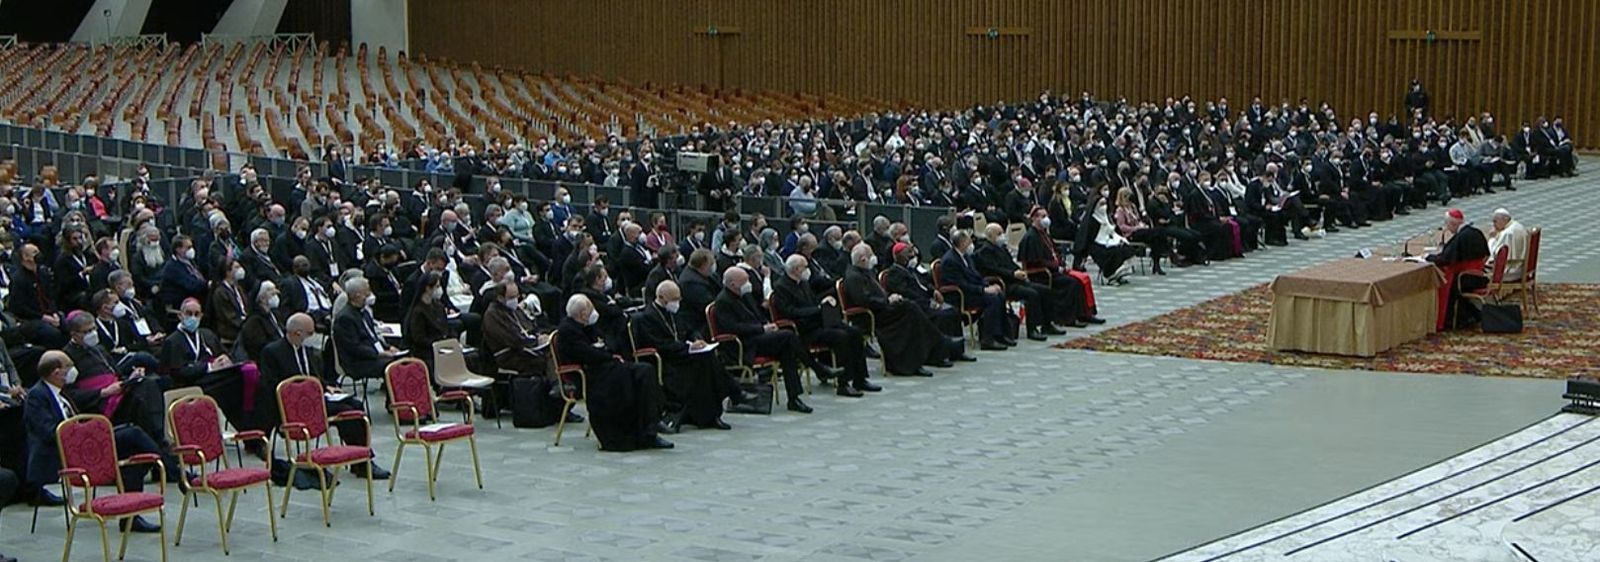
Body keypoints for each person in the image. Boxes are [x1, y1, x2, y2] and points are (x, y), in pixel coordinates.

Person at [25, 350, 176, 533]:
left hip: (85, 442)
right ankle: (175, 471)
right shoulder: (37, 396)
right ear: (56, 372)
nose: (73, 371)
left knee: (134, 451)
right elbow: (49, 432)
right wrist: (83, 430)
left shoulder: (63, 391)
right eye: (69, 367)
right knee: (133, 434)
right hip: (65, 451)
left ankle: (131, 517)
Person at [254, 313, 389, 481]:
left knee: (355, 407)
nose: (313, 336)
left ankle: (360, 460)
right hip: (293, 405)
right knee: (346, 412)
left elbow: (314, 376)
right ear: (297, 333)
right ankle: (361, 463)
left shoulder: (307, 351)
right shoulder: (272, 352)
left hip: (317, 398)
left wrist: (327, 387)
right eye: (310, 333)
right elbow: (271, 385)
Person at [555, 294, 672, 451]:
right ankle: (635, 431)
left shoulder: (587, 326)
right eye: (590, 310)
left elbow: (604, 343)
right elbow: (587, 354)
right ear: (583, 314)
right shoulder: (568, 330)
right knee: (627, 378)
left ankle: (650, 428)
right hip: (589, 374)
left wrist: (608, 352)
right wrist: (608, 354)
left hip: (604, 366)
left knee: (645, 372)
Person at [633, 280, 739, 430]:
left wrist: (697, 339)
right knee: (706, 363)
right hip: (668, 361)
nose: (677, 302)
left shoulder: (674, 313)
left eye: (679, 298)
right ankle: (731, 393)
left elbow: (690, 330)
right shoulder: (647, 317)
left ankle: (713, 413)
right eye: (674, 299)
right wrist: (688, 347)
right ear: (662, 298)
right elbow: (661, 345)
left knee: (707, 359)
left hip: (684, 355)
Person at [770, 256, 880, 397]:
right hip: (805, 329)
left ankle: (860, 379)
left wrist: (824, 301)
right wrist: (817, 308)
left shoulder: (803, 283)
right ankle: (843, 383)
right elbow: (789, 312)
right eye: (805, 267)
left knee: (855, 332)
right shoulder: (781, 287)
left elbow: (814, 301)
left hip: (820, 322)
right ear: (796, 269)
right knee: (842, 337)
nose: (807, 270)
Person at [843, 244, 950, 377]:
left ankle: (925, 352)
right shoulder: (854, 277)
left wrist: (889, 297)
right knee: (910, 309)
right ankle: (936, 342)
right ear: (863, 259)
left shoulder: (864, 272)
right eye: (871, 256)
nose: (874, 259)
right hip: (871, 315)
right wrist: (887, 301)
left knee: (910, 309)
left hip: (882, 309)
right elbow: (864, 300)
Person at [1016, 207, 1104, 327]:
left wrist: (1061, 263)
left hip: (1053, 270)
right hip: (1042, 274)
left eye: (1046, 216)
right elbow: (1036, 261)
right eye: (1042, 216)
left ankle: (1084, 314)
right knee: (1072, 283)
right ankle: (1068, 319)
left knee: (1080, 280)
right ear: (1034, 218)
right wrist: (1056, 267)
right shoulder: (1031, 237)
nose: (1046, 219)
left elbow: (1054, 251)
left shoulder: (1044, 234)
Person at [939, 232, 1013, 349]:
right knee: (992, 299)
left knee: (999, 295)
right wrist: (983, 290)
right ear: (962, 243)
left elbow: (976, 276)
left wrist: (988, 286)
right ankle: (987, 340)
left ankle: (999, 334)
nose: (971, 244)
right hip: (960, 296)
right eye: (969, 241)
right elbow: (961, 285)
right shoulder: (950, 260)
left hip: (972, 291)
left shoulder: (966, 257)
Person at [1425, 209, 1491, 330]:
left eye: (1448, 225)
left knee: (1443, 279)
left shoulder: (1461, 237)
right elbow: (1486, 254)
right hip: (1479, 275)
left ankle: (1447, 321)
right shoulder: (1476, 232)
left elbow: (1446, 259)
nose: (1448, 228)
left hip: (1465, 279)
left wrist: (1428, 257)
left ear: (1453, 224)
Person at [333, 277, 402, 383]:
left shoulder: (364, 312)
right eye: (367, 291)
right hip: (357, 362)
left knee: (403, 360)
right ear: (357, 295)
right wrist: (378, 354)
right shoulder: (344, 318)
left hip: (373, 354)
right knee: (393, 366)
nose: (370, 293)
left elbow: (372, 336)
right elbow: (354, 348)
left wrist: (388, 347)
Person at [10, 243, 67, 348]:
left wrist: (54, 313)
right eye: (35, 252)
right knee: (53, 334)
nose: (39, 254)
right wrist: (43, 317)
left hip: (49, 314)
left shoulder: (43, 273)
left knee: (67, 326)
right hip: (30, 319)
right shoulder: (18, 279)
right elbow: (18, 307)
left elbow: (50, 296)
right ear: (25, 257)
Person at [1486, 208, 1530, 282]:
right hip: (1522, 268)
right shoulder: (1518, 226)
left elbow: (1496, 254)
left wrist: (1492, 239)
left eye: (1495, 221)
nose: (1494, 225)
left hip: (1512, 271)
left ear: (1504, 219)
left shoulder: (1507, 234)